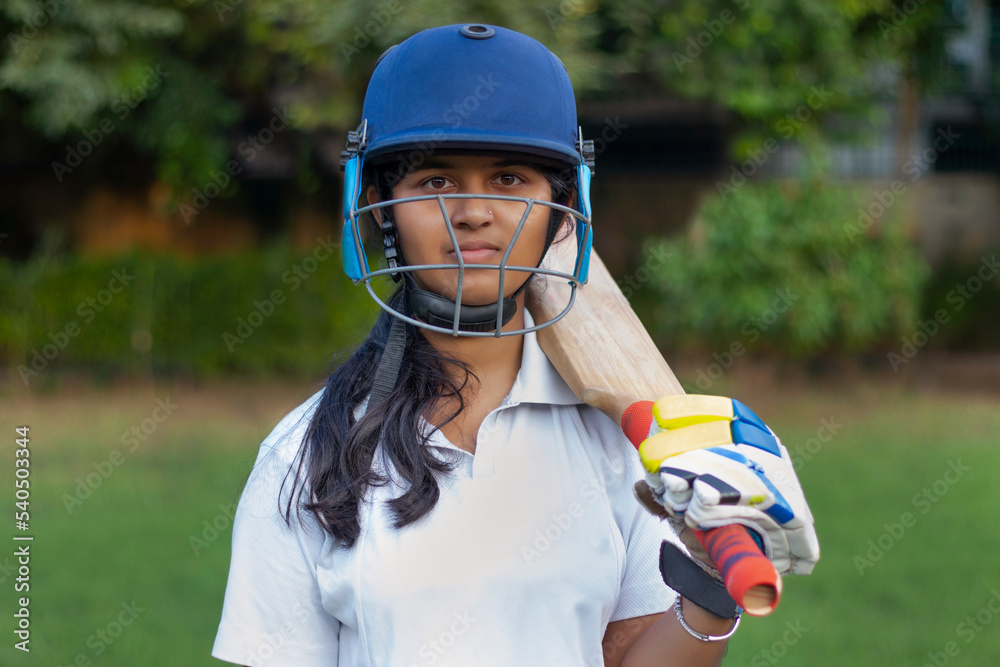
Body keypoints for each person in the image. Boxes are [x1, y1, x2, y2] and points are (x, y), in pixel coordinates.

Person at [212, 24, 818, 667]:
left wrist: (712, 590)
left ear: (563, 208)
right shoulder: (305, 457)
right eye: (437, 182)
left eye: (508, 178)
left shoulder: (626, 439)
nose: (474, 212)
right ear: (379, 205)